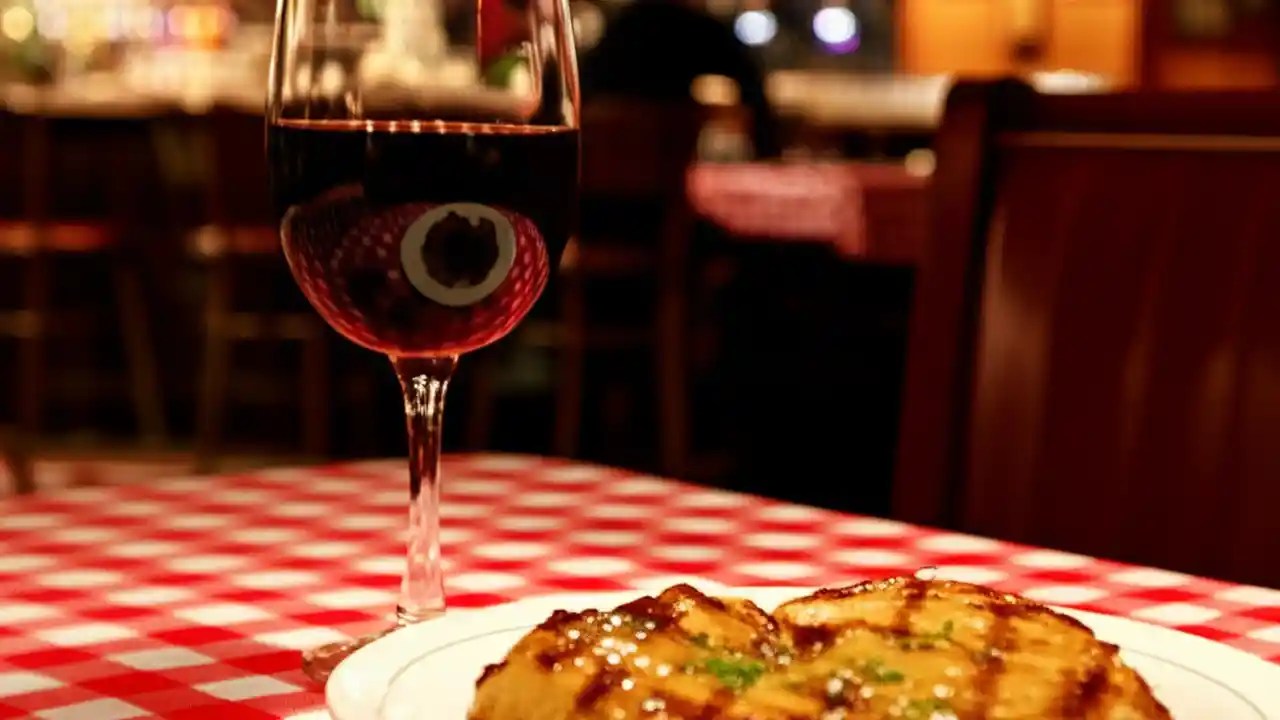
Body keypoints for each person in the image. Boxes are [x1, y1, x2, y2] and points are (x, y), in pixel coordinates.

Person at [579, 0, 781, 158]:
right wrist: (767, 150)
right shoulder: (698, 30)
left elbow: (583, 87)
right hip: (667, 177)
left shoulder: (622, 27)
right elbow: (752, 85)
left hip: (603, 180)